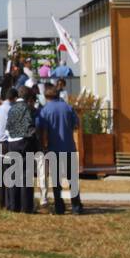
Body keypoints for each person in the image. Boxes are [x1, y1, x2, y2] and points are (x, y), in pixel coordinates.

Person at [36, 85, 82, 215]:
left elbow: (43, 130)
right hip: (69, 147)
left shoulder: (45, 110)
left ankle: (59, 207)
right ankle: (76, 206)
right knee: (72, 179)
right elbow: (76, 124)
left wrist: (44, 145)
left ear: (46, 97)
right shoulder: (68, 107)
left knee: (56, 180)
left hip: (53, 148)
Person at [4, 86, 39, 214]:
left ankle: (14, 205)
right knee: (26, 175)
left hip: (12, 143)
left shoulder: (11, 108)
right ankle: (27, 206)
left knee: (14, 174)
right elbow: (30, 126)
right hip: (24, 142)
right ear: (28, 97)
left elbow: (7, 128)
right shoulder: (27, 108)